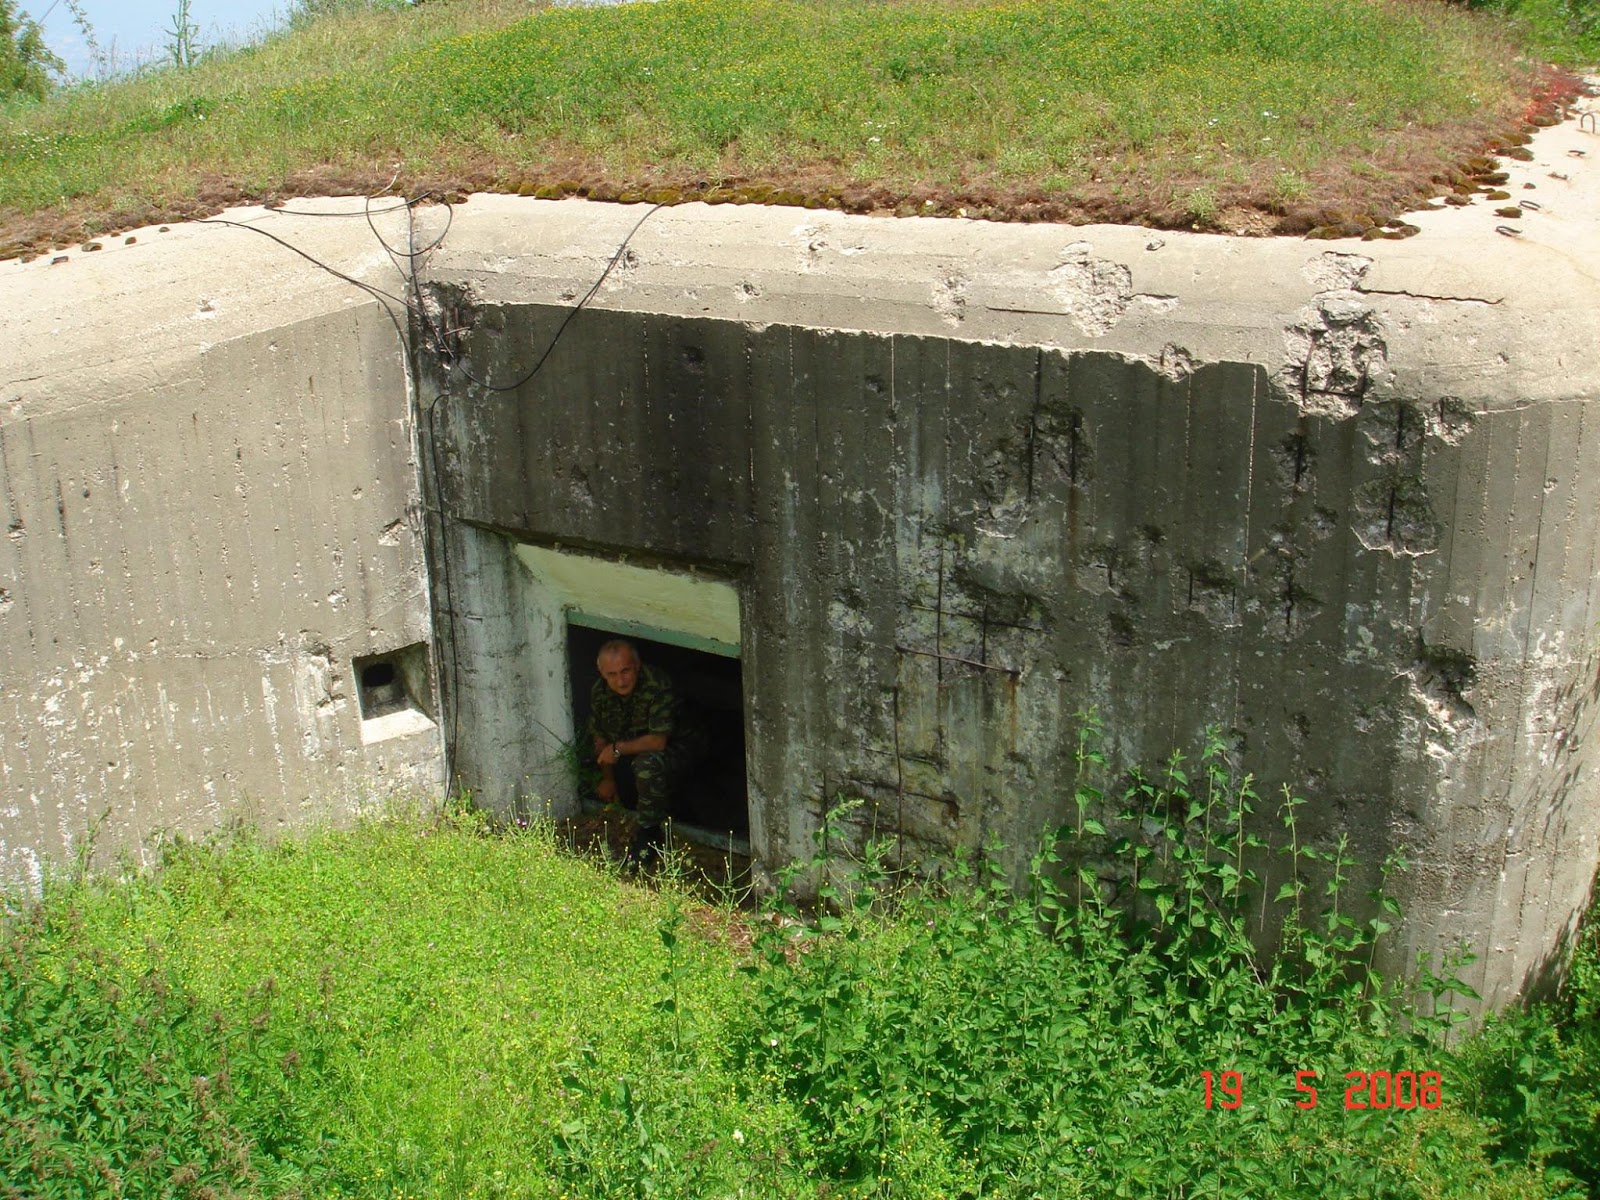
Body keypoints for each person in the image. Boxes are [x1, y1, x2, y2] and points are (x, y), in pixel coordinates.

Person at [587, 639, 705, 868]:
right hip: (636, 743)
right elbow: (601, 739)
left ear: (637, 666)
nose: (620, 681)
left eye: (626, 671)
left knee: (646, 766)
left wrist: (618, 749)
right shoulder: (600, 692)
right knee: (630, 777)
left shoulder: (657, 685)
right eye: (612, 674)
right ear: (602, 673)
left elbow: (658, 742)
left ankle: (649, 835)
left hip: (681, 745)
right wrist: (608, 779)